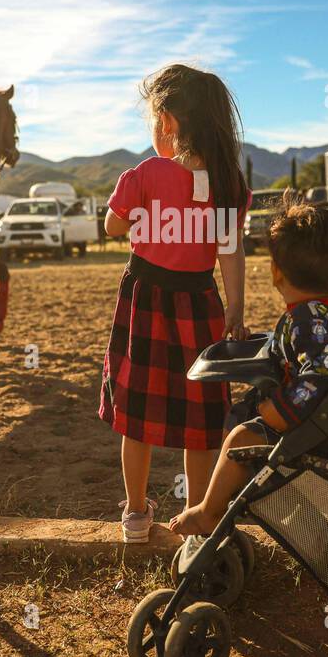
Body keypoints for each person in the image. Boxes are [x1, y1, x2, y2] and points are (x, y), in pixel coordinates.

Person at [99, 64, 251, 543]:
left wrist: (142, 206)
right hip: (201, 303)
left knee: (136, 411)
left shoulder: (145, 173)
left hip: (145, 299)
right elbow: (230, 249)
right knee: (201, 417)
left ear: (166, 121)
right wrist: (236, 309)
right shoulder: (229, 182)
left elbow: (112, 228)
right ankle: (194, 521)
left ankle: (136, 516)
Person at [169, 197, 328, 537]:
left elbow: (320, 373)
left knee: (242, 437)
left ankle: (207, 512)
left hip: (310, 423)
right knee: (242, 423)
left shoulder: (306, 319)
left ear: (275, 272)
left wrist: (281, 412)